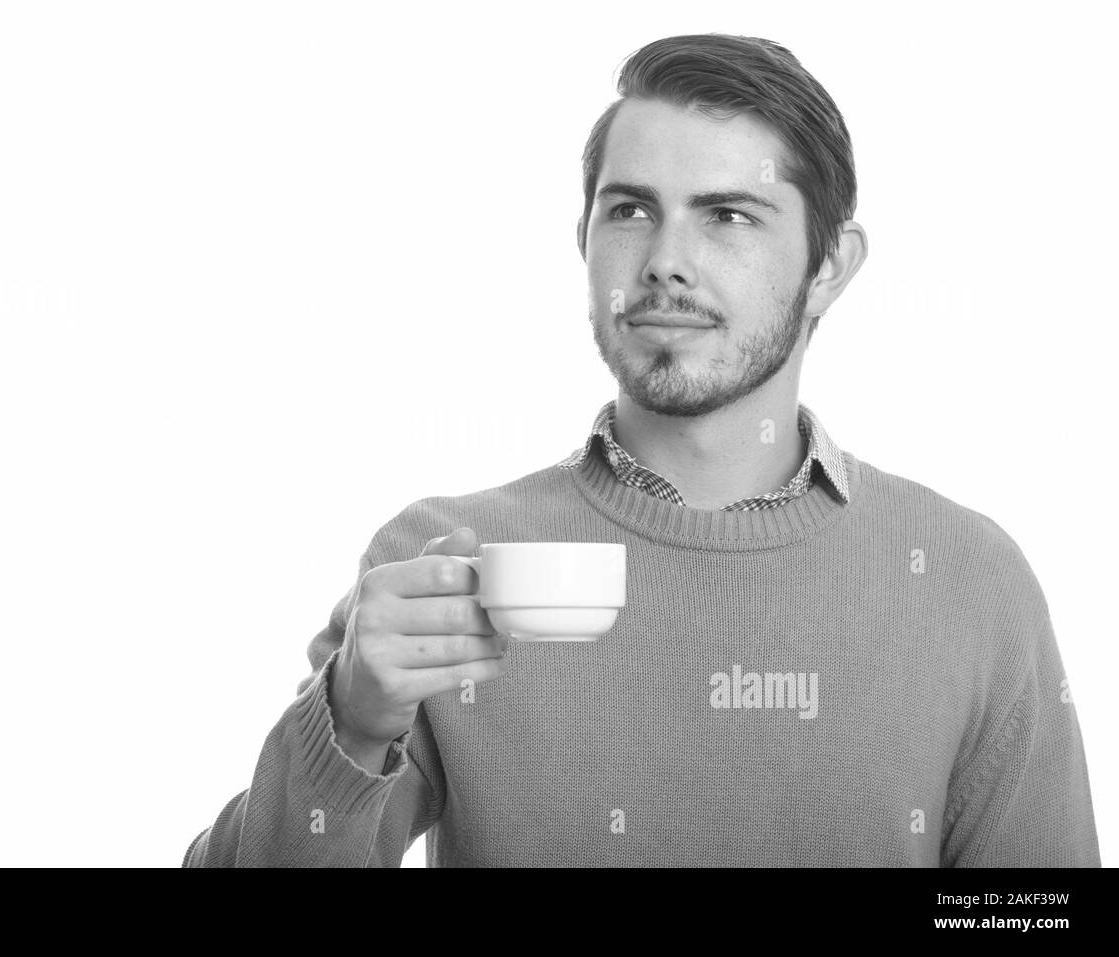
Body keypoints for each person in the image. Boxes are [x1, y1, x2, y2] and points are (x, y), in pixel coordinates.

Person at [183, 33, 1101, 867]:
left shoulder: (969, 578)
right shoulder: (441, 563)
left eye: (729, 216)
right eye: (630, 210)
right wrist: (347, 723)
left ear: (830, 266)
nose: (666, 259)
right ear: (584, 240)